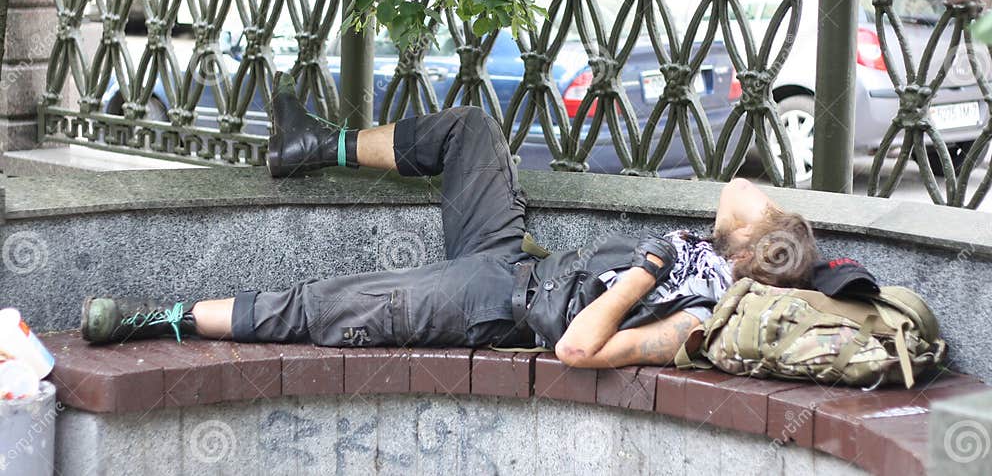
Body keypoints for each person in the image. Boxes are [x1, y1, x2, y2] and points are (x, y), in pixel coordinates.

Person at [80, 73, 820, 368]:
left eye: (757, 236)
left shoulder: (697, 319)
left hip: (491, 307)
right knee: (471, 128)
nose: (745, 223)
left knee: (327, 303)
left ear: (754, 261)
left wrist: (648, 269)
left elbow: (579, 350)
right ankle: (314, 145)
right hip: (515, 258)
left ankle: (159, 319)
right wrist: (774, 238)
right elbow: (741, 186)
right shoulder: (724, 252)